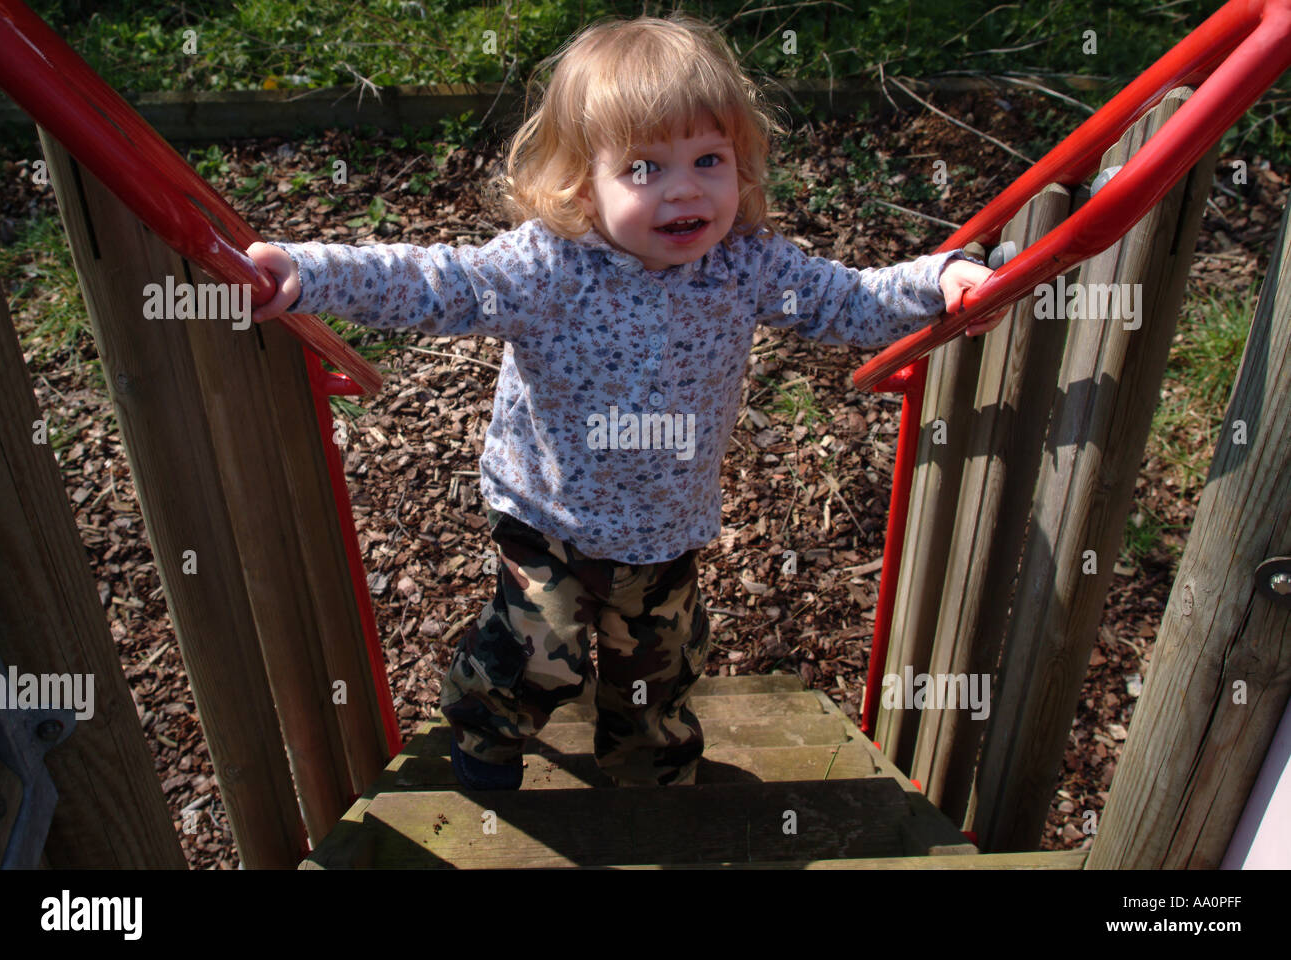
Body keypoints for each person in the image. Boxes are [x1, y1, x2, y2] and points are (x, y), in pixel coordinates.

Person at [246, 13, 1003, 791]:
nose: (684, 189)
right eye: (643, 168)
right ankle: (486, 732)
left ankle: (651, 771)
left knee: (662, 664)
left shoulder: (742, 264)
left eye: (709, 159)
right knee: (537, 650)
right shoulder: (546, 267)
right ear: (582, 182)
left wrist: (937, 281)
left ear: (741, 168)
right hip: (548, 514)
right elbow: (436, 282)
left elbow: (848, 301)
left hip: (665, 525)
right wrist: (313, 273)